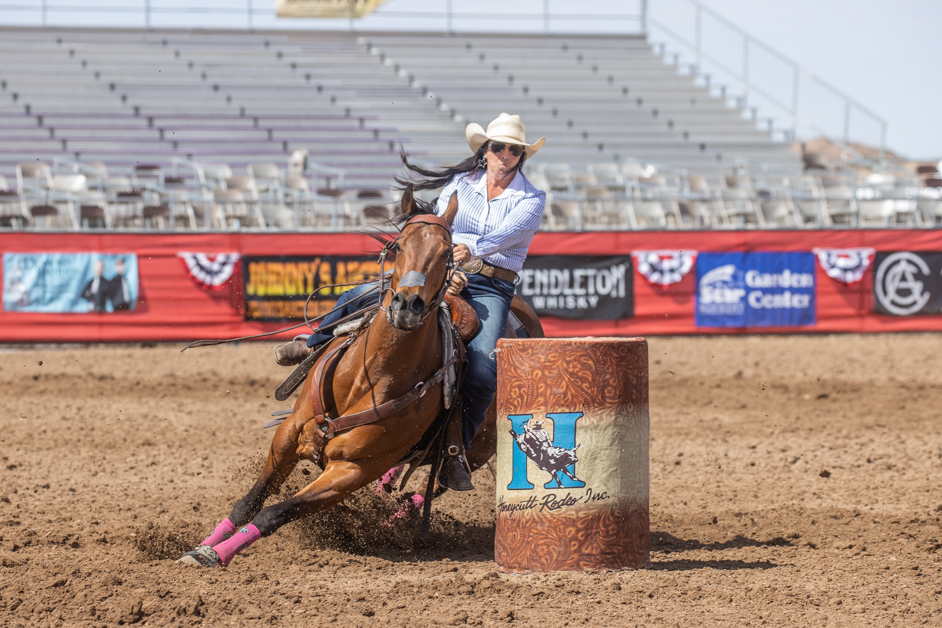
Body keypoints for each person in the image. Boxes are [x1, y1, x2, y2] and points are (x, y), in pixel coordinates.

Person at [274, 113, 546, 490]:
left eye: (513, 149)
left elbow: (504, 236)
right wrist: (442, 263)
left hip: (490, 285)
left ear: (521, 156)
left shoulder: (531, 198)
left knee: (484, 371)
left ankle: (455, 453)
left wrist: (467, 255)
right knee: (358, 295)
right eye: (497, 146)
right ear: (485, 150)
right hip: (441, 269)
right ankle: (313, 344)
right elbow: (438, 226)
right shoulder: (459, 184)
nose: (504, 154)